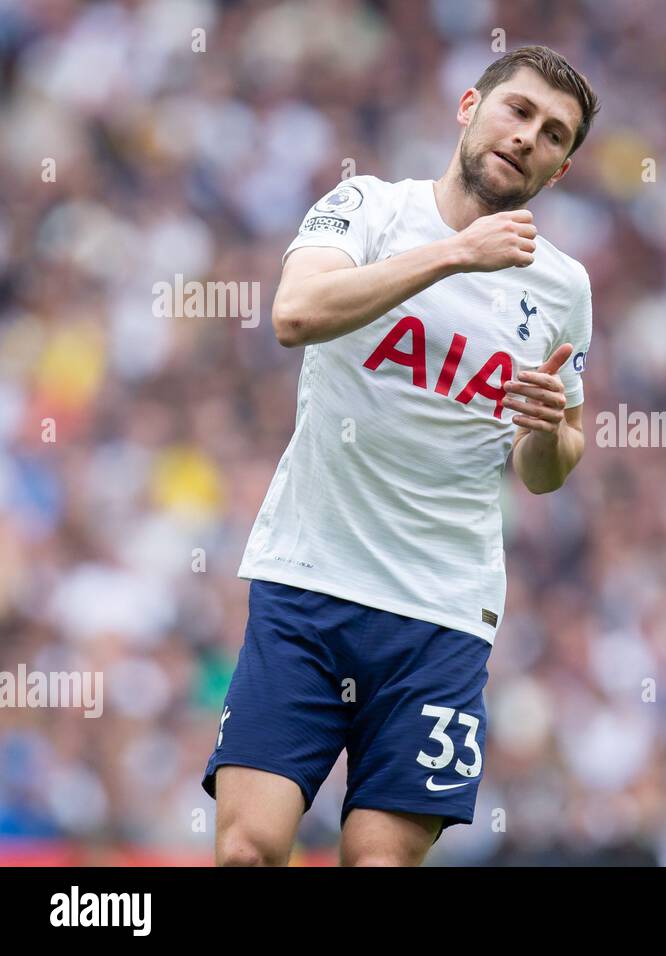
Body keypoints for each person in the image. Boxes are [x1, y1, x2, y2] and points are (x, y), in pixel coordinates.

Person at [201, 45, 600, 866]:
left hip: (442, 612)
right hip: (310, 579)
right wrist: (457, 252)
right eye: (517, 111)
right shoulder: (368, 208)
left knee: (376, 862)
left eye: (554, 133)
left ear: (560, 169)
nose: (528, 136)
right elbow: (297, 313)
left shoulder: (563, 289)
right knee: (249, 849)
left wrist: (549, 427)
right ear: (468, 108)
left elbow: (544, 470)